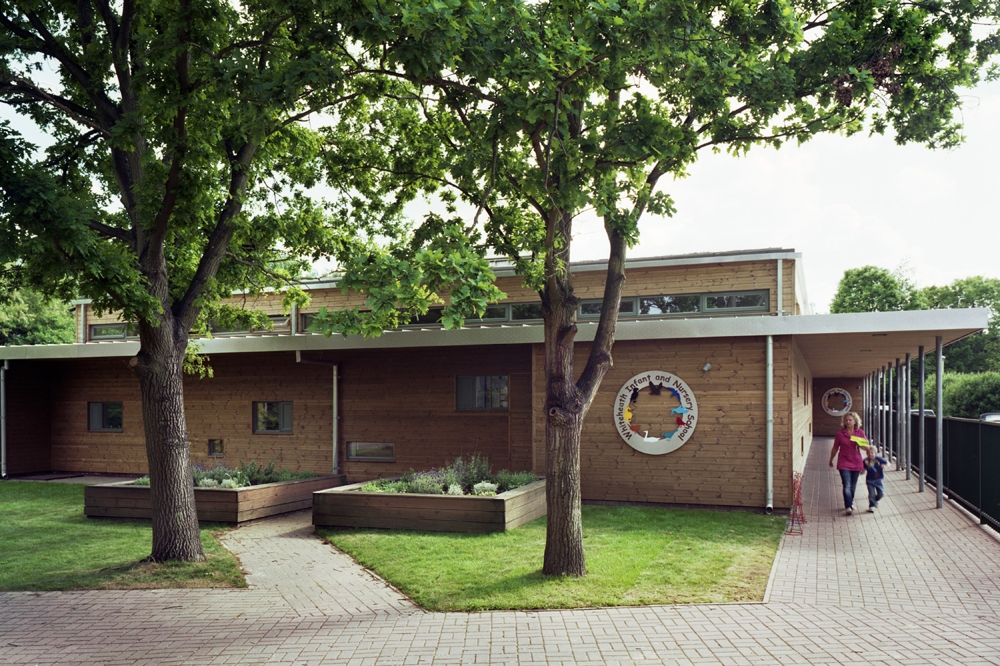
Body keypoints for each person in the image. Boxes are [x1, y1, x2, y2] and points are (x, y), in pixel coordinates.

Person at [829, 411, 867, 515]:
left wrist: (861, 443)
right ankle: (848, 506)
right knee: (846, 484)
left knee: (853, 485)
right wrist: (831, 459)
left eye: (850, 420)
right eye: (846, 420)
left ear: (855, 421)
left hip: (856, 461)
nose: (848, 422)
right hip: (844, 461)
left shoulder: (860, 433)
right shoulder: (840, 434)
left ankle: (850, 502)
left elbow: (866, 447)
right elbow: (835, 448)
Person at [863, 446, 888, 512]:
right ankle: (871, 506)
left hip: (878, 479)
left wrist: (885, 466)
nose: (870, 454)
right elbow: (863, 468)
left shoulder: (879, 459)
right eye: (868, 453)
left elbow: (887, 463)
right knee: (872, 494)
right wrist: (861, 471)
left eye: (872, 452)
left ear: (875, 453)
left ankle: (876, 500)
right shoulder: (865, 460)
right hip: (869, 480)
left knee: (881, 493)